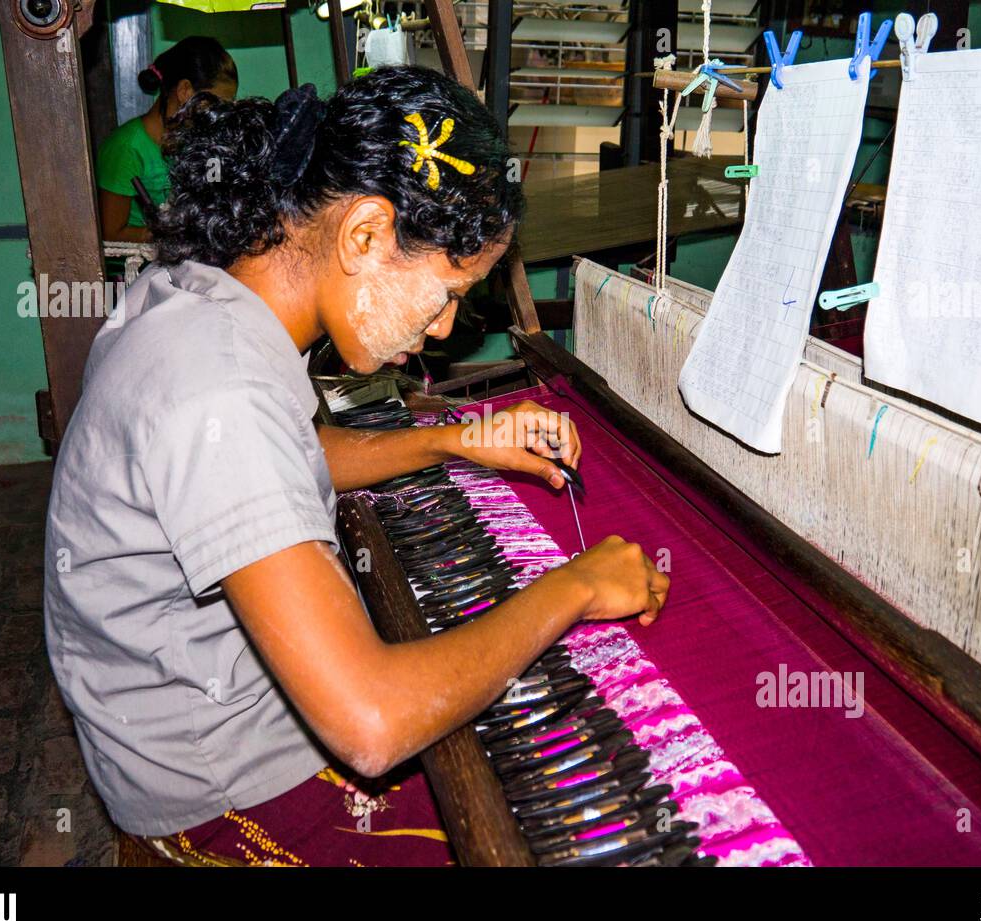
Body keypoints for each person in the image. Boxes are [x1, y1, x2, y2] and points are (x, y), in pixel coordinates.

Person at [44, 66, 668, 866]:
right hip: (221, 790)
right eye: (446, 290)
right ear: (365, 234)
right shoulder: (217, 388)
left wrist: (453, 440)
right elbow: (371, 725)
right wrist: (573, 588)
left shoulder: (202, 296)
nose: (445, 328)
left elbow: (284, 461)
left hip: (193, 726)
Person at [95, 36, 238, 243]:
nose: (220, 114)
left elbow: (213, 194)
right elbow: (110, 234)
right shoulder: (126, 149)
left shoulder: (200, 140)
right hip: (136, 269)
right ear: (185, 91)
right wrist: (173, 233)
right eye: (217, 104)